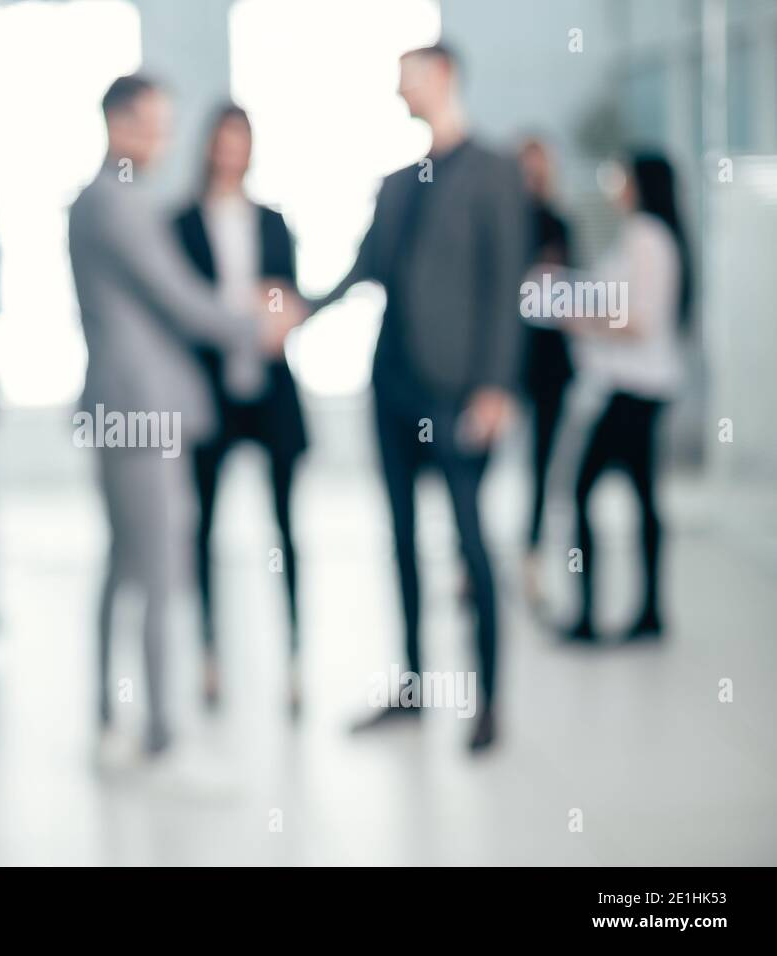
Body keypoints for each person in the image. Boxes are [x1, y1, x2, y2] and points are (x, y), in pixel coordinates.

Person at [68, 74, 302, 791]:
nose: (167, 141)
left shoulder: (117, 200)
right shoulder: (115, 203)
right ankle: (162, 735)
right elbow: (178, 297)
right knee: (161, 567)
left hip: (134, 405)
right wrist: (258, 323)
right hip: (140, 410)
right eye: (156, 125)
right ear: (120, 123)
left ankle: (114, 715)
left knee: (130, 563)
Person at [304, 44, 528, 752]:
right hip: (392, 387)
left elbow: (507, 287)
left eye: (410, 75)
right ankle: (413, 685)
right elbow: (363, 268)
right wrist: (300, 310)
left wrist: (496, 386)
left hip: (457, 392)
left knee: (469, 539)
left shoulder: (493, 173)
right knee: (398, 538)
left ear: (445, 76)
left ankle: (488, 699)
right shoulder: (400, 181)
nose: (399, 88)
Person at [173, 104, 309, 716]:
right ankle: (208, 658)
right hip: (209, 395)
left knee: (286, 527)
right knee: (200, 527)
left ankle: (295, 659)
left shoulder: (274, 222)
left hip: (271, 389)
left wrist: (280, 307)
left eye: (242, 142)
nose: (232, 153)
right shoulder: (180, 223)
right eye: (223, 142)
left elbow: (290, 294)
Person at [564, 152, 690, 643]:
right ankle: (649, 611)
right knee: (643, 499)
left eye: (622, 178)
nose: (615, 187)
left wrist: (583, 321)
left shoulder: (646, 236)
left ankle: (590, 616)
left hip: (635, 388)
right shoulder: (655, 235)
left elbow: (640, 322)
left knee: (582, 493)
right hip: (643, 387)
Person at [517, 138, 574, 609]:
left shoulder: (559, 223)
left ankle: (530, 562)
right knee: (477, 457)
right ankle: (467, 564)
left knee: (541, 468)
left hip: (548, 361)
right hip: (506, 358)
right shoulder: (503, 219)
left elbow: (567, 290)